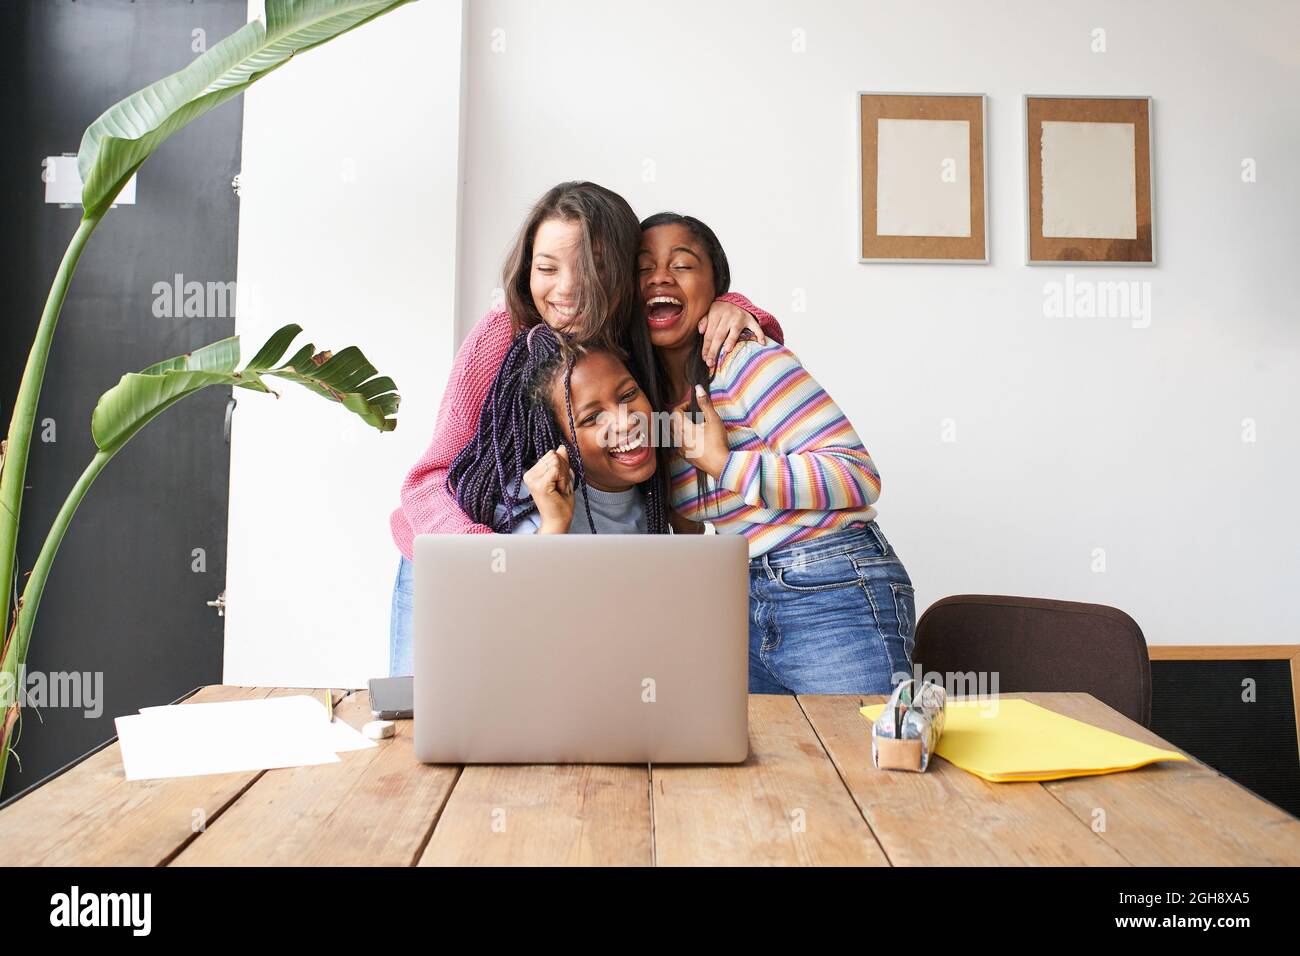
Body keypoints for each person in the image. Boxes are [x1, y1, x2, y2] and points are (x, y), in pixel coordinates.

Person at [388, 182, 782, 675]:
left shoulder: (637, 334)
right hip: (453, 564)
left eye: (590, 268)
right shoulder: (501, 335)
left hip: (566, 568)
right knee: (419, 726)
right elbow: (426, 480)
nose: (566, 289)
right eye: (546, 268)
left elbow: (694, 309)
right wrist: (486, 560)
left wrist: (735, 306)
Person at [641, 212, 915, 695]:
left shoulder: (747, 361)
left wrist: (726, 465)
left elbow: (858, 474)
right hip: (743, 600)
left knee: (871, 762)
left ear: (716, 291)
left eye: (682, 266)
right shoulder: (648, 398)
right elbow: (688, 522)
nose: (660, 276)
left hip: (830, 583)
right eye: (643, 267)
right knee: (771, 768)